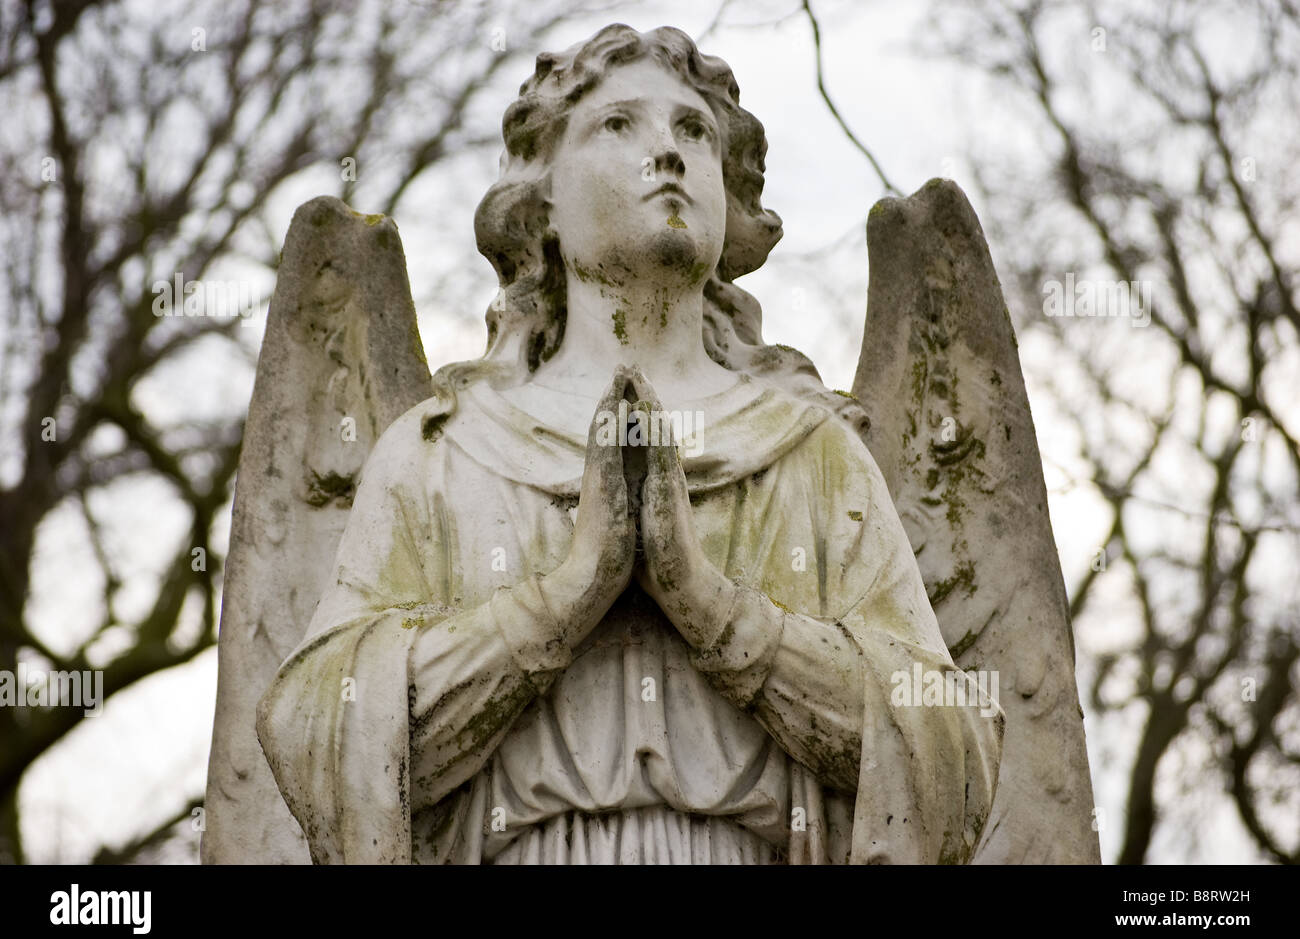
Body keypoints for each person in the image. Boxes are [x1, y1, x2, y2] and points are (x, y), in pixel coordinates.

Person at [256, 24, 1003, 864]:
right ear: (540, 198)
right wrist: (572, 593)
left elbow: (951, 749)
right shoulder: (442, 453)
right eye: (619, 125)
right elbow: (325, 738)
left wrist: (706, 603)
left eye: (694, 132)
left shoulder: (811, 452)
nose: (669, 153)